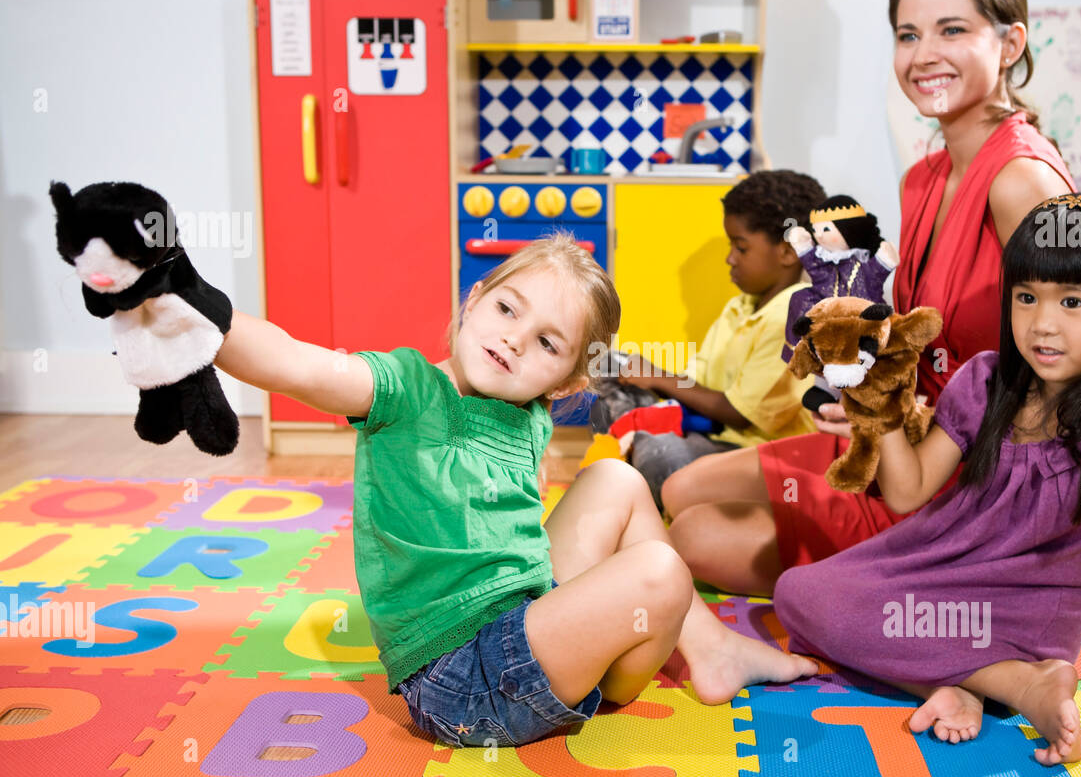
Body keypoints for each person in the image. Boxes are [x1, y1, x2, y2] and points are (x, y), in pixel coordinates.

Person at [212, 234, 817, 747]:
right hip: (463, 683)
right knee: (659, 570)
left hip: (518, 624)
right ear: (473, 300)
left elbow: (509, 546)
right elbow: (296, 362)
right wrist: (191, 308)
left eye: (548, 342)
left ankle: (709, 648)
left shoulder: (525, 412)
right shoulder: (404, 388)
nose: (515, 339)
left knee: (618, 479)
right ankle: (624, 661)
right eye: (507, 309)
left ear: (567, 381)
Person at [664, 0, 1077, 595]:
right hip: (897, 437)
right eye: (908, 34)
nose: (924, 55)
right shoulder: (925, 177)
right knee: (683, 487)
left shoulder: (1023, 180)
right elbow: (917, 342)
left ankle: (945, 588)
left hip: (967, 479)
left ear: (1010, 43)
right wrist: (866, 406)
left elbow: (1074, 366)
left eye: (953, 30)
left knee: (695, 535)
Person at [774, 193, 1081, 764]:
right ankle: (988, 685)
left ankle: (1009, 679)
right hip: (932, 577)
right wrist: (878, 401)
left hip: (1031, 619)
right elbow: (907, 492)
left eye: (1072, 301)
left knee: (826, 611)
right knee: (798, 595)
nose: (1042, 323)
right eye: (1026, 298)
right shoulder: (986, 382)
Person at [590, 170, 826, 508]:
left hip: (756, 455)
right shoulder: (740, 306)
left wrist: (658, 377)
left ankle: (642, 474)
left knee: (664, 456)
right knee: (609, 370)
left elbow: (738, 413)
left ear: (788, 252)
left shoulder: (795, 317)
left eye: (740, 247)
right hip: (709, 432)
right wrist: (645, 376)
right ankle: (634, 464)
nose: (730, 258)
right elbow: (697, 383)